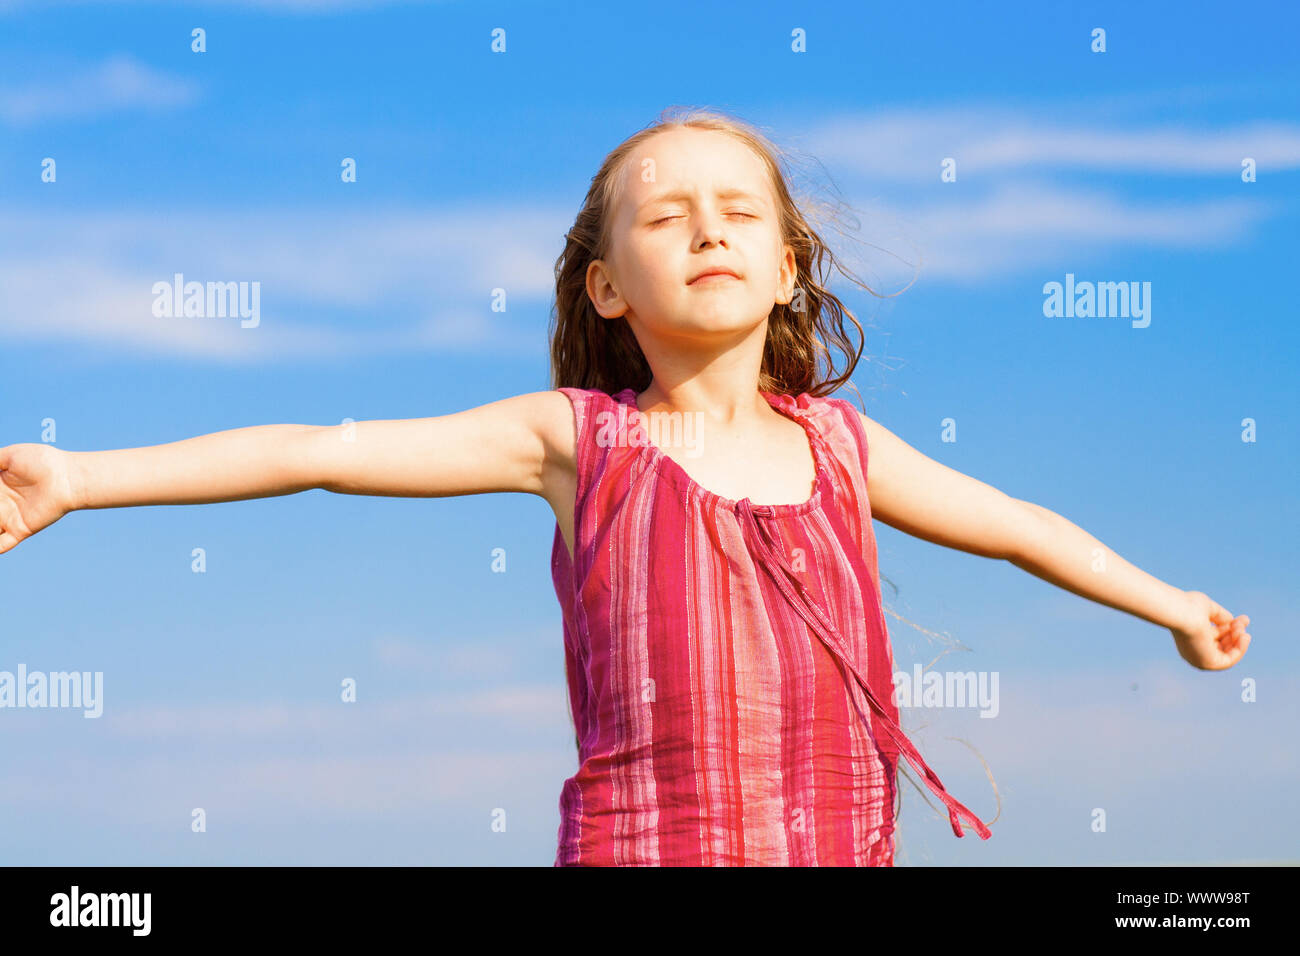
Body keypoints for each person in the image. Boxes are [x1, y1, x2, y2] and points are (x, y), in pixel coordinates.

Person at [0, 108, 1251, 867]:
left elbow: (1022, 526)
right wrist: (81, 475)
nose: (707, 230)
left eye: (738, 213)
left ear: (784, 271)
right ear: (606, 287)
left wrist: (1174, 604)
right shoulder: (576, 441)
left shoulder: (842, 448)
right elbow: (324, 446)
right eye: (666, 218)